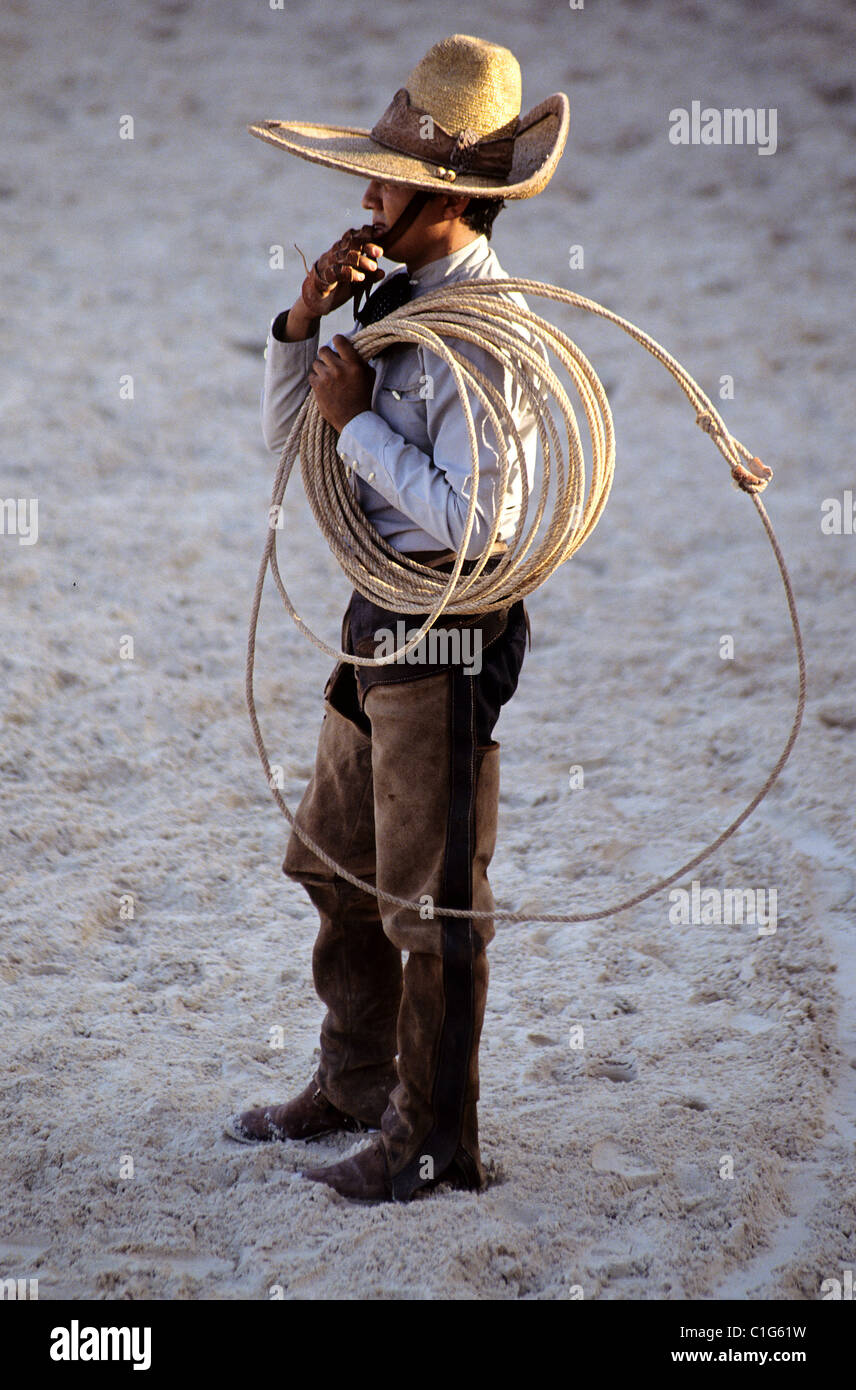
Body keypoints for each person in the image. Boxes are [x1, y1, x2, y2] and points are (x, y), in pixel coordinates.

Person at [227, 34, 569, 1202]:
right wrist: (305, 321)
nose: (365, 190)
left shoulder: (492, 336)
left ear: (445, 197)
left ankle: (436, 1135)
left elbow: (485, 519)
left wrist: (360, 419)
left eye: (384, 175)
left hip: (446, 626)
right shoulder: (391, 299)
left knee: (431, 901)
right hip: (377, 614)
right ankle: (358, 1078)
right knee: (335, 860)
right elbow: (293, 449)